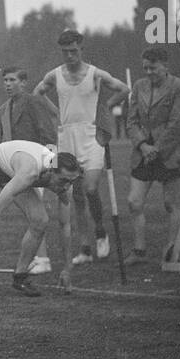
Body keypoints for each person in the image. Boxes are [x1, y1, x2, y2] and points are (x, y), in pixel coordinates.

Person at [34, 30, 128, 265]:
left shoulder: (95, 73)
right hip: (66, 136)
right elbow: (37, 94)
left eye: (74, 51)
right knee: (73, 194)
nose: (70, 56)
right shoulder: (55, 75)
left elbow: (124, 89)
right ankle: (85, 247)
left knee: (91, 188)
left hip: (91, 135)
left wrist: (106, 106)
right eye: (65, 52)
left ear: (81, 49)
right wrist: (55, 111)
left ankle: (100, 232)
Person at [0, 141, 80, 297]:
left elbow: (65, 225)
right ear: (50, 172)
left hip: (17, 171)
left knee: (40, 220)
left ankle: (20, 277)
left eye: (71, 182)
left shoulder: (64, 184)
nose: (66, 187)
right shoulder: (29, 173)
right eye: (63, 181)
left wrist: (68, 268)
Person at [0, 67, 59, 274]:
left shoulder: (34, 102)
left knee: (36, 216)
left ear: (24, 82)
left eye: (12, 80)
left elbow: (49, 135)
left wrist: (52, 169)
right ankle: (37, 258)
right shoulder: (2, 110)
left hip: (38, 167)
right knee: (33, 216)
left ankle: (43, 259)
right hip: (15, 168)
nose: (8, 84)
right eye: (5, 80)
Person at [126, 47, 180, 264]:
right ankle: (139, 250)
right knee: (134, 202)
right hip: (142, 153)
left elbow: (178, 124)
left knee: (170, 203)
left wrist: (158, 149)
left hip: (169, 153)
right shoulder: (138, 86)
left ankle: (173, 248)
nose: (148, 72)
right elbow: (131, 121)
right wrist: (143, 145)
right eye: (145, 68)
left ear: (165, 66)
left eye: (153, 68)